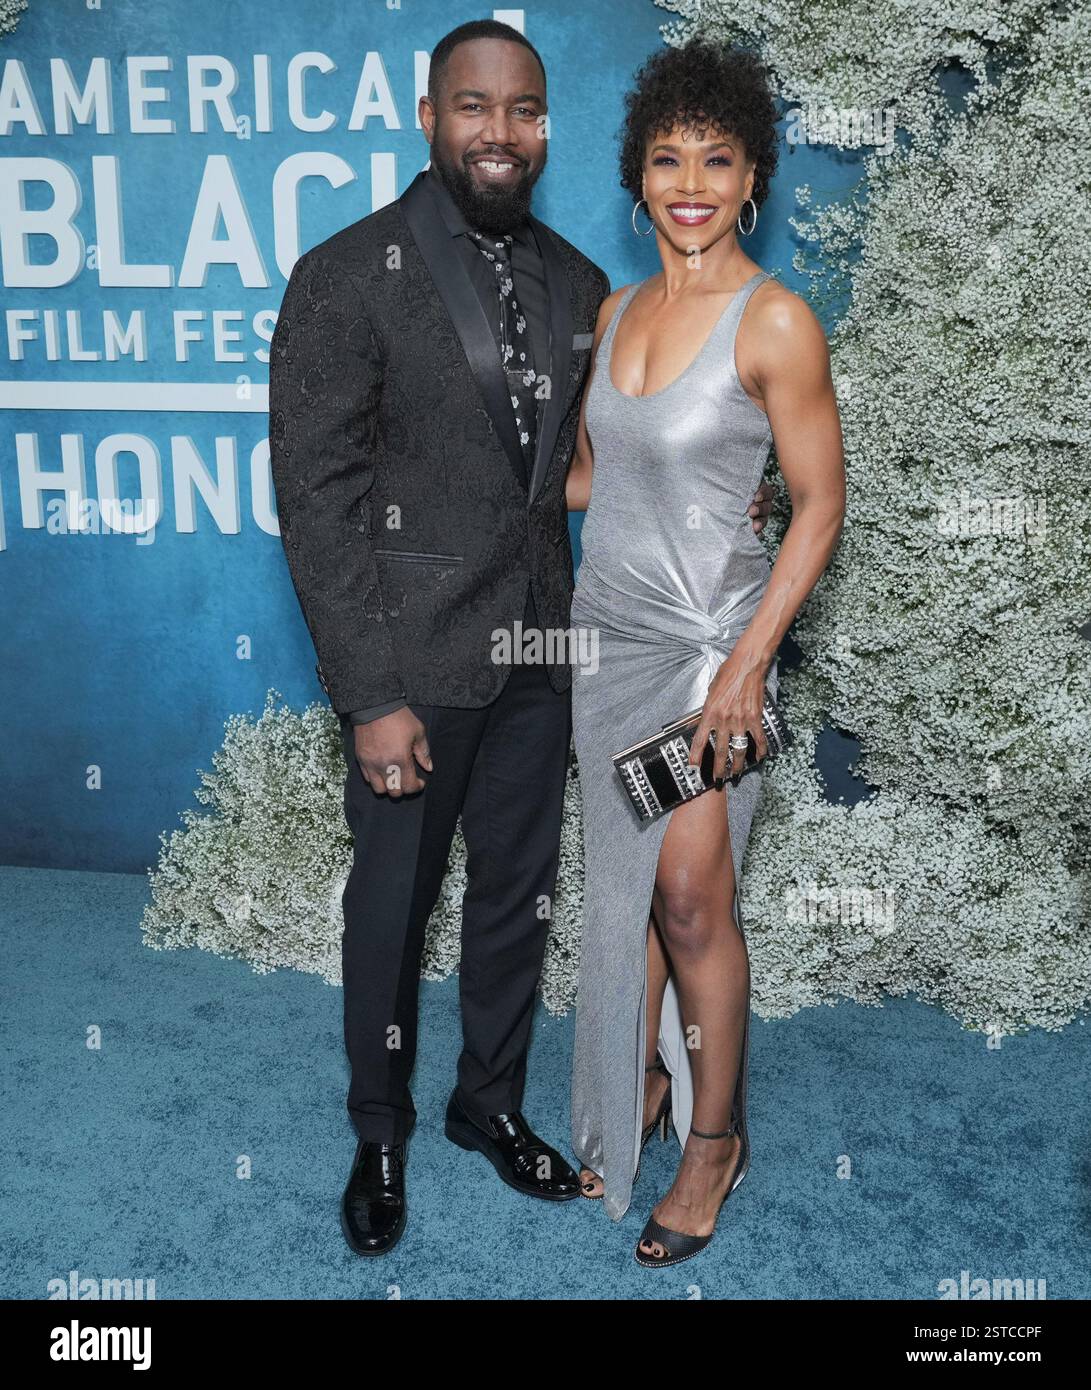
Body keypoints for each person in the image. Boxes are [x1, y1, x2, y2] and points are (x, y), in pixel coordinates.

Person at [269, 18, 773, 1258]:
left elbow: (581, 471)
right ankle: (377, 1128)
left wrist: (723, 494)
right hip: (409, 666)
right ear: (429, 115)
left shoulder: (575, 283)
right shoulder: (345, 276)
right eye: (476, 107)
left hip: (553, 658)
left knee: (517, 896)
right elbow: (318, 502)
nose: (502, 133)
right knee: (392, 903)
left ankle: (483, 1103)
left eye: (526, 112)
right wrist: (369, 694)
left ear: (547, 126)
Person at [565, 39, 846, 1268]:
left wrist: (744, 668)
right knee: (621, 891)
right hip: (605, 642)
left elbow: (820, 504)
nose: (689, 180)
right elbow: (594, 479)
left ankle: (713, 1140)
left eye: (715, 159)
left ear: (750, 180)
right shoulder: (614, 310)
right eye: (666, 157)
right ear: (637, 175)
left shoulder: (774, 318)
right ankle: (636, 1078)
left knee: (688, 897)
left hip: (707, 655)